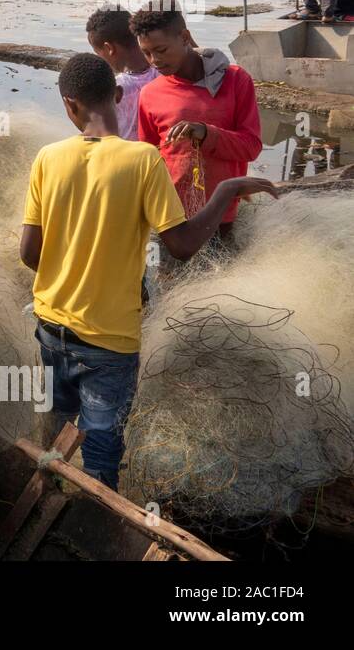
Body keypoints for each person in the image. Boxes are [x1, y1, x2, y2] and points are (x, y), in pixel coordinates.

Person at [21, 52, 278, 490]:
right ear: (118, 96)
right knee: (102, 443)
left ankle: (47, 492)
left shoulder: (48, 157)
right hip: (109, 340)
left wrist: (73, 265)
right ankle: (96, 515)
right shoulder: (143, 160)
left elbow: (30, 252)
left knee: (56, 420)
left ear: (69, 104)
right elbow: (180, 246)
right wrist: (226, 191)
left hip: (50, 326)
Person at [133, 0, 263, 240]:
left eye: (161, 50)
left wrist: (206, 133)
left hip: (220, 215)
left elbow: (251, 147)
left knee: (222, 275)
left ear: (184, 37)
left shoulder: (234, 80)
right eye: (146, 53)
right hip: (170, 217)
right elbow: (149, 159)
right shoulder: (150, 94)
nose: (154, 60)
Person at [85, 6, 157, 141]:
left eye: (98, 53)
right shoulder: (165, 71)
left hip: (126, 158)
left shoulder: (115, 88)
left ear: (109, 48)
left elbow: (99, 134)